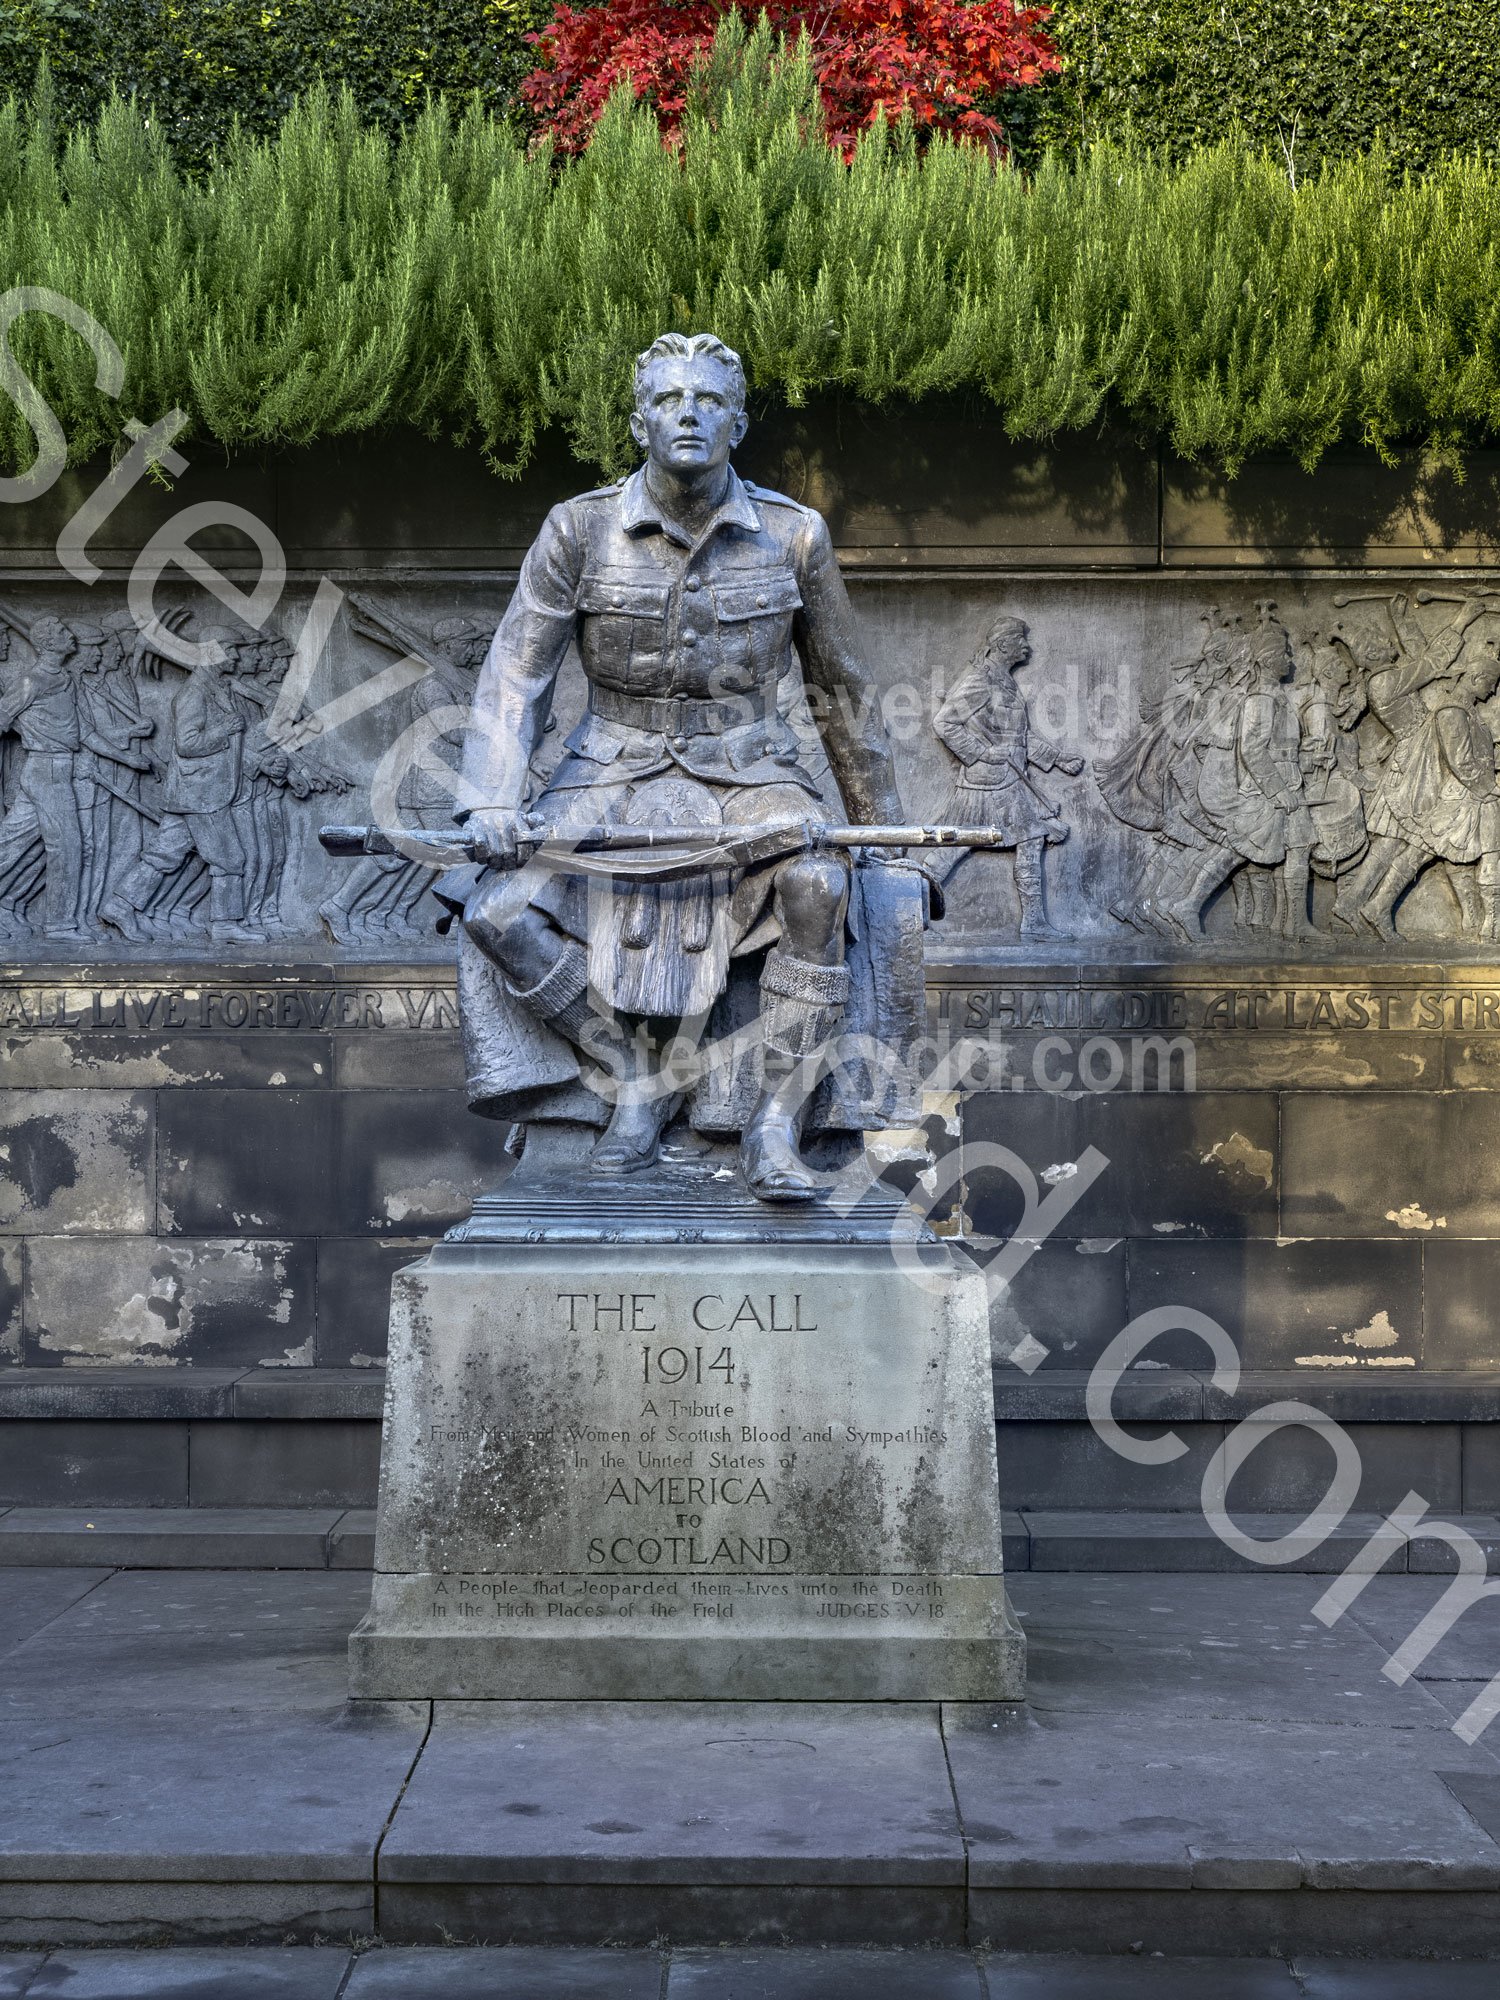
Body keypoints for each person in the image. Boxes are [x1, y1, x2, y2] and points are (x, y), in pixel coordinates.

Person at [442, 331, 928, 1202]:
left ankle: (775, 1127)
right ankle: (634, 1074)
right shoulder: (579, 527)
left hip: (749, 773)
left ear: (738, 424)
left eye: (708, 402)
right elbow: (518, 668)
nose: (689, 416)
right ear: (639, 421)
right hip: (609, 772)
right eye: (669, 401)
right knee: (499, 910)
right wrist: (489, 802)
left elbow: (842, 688)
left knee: (821, 886)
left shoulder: (793, 535)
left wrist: (884, 832)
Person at [932, 615, 1082, 939]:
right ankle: (911, 916)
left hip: (1010, 781)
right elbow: (944, 723)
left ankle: (1033, 924)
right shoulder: (979, 681)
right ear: (1001, 645)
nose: (1027, 647)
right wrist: (982, 753)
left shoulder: (1003, 680)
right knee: (949, 847)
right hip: (985, 784)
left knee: (1031, 839)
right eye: (1020, 640)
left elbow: (1019, 738)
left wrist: (1057, 759)